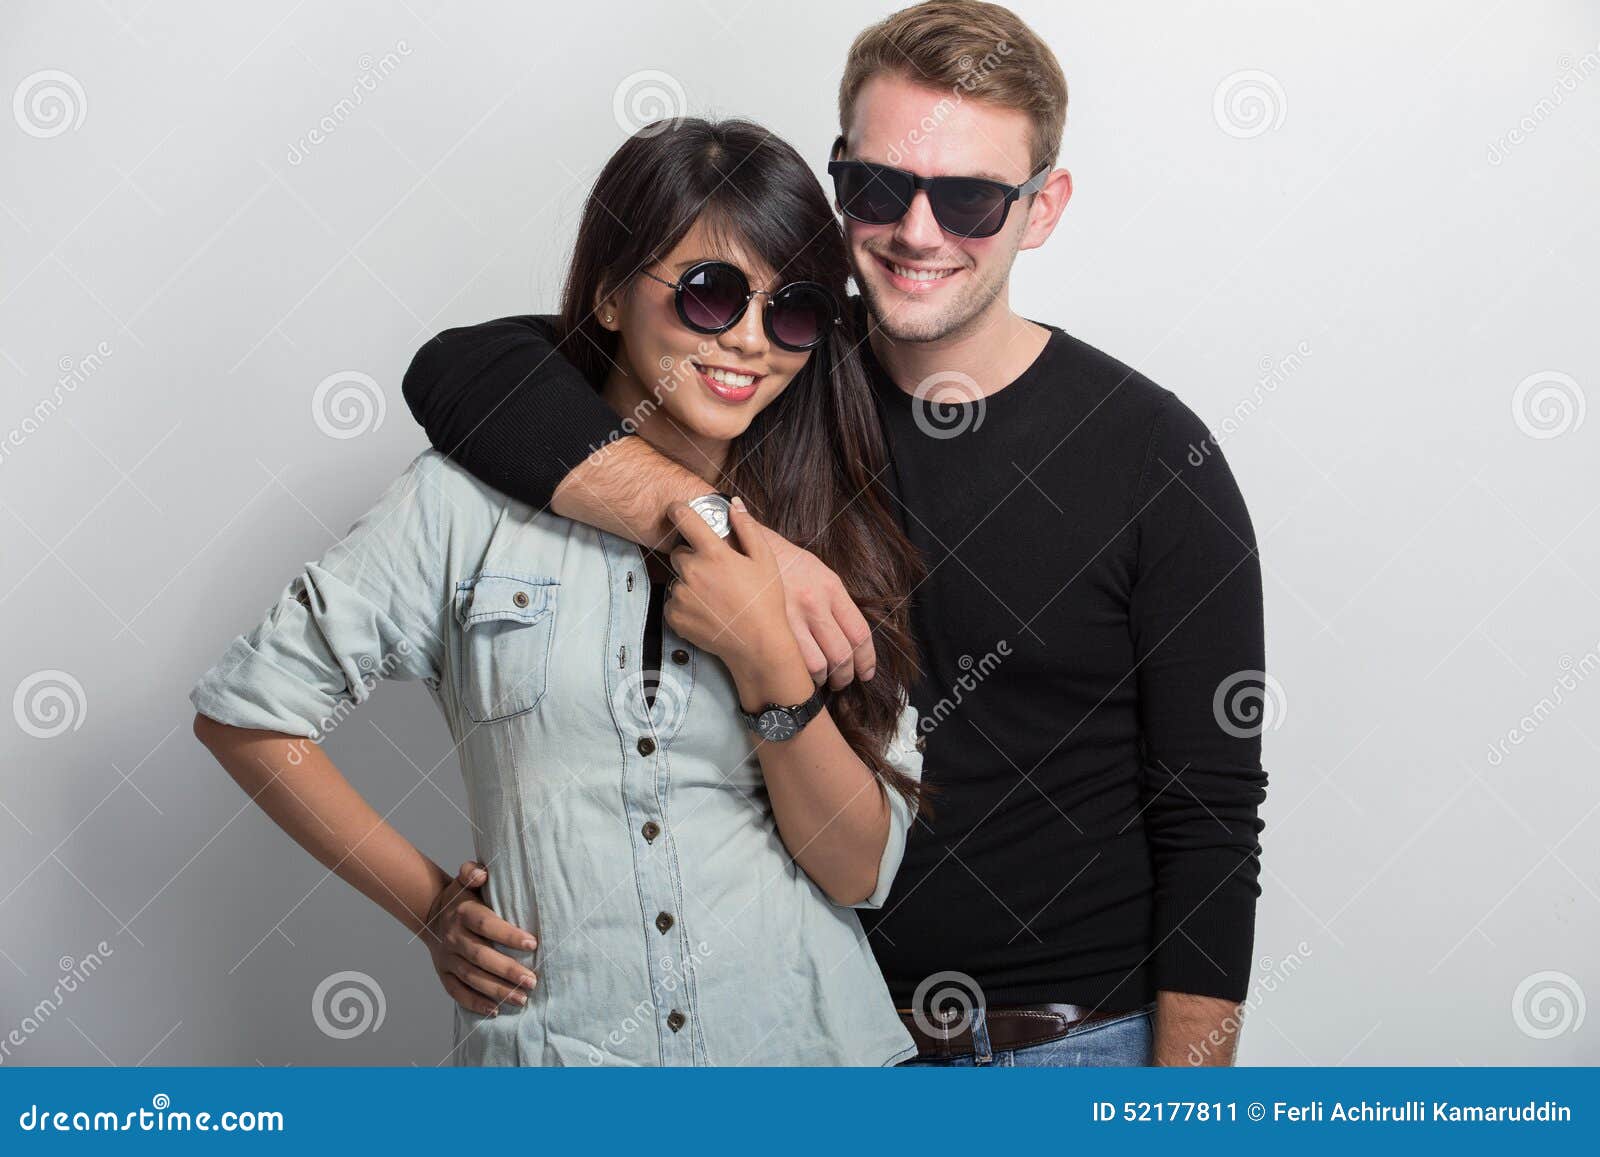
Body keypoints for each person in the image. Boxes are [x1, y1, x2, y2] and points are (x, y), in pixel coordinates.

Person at [399, 0, 1268, 1067]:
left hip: (1062, 1050)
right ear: (837, 172)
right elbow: (463, 372)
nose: (916, 230)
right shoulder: (760, 375)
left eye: (971, 199)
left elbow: (1212, 818)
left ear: (1043, 209)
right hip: (786, 1042)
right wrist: (704, 519)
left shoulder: (1150, 455)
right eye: (877, 186)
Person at [190, 118, 930, 1066]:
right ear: (615, 297)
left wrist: (767, 659)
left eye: (790, 312)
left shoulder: (834, 531)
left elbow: (858, 870)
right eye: (710, 293)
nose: (750, 340)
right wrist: (427, 905)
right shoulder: (462, 505)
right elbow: (249, 712)